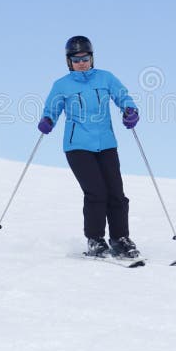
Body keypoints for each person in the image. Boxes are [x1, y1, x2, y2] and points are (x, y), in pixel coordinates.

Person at [38, 36, 141, 258]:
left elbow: (123, 96)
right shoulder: (62, 85)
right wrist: (47, 120)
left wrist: (130, 110)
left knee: (117, 193)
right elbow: (51, 109)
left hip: (106, 144)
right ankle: (95, 240)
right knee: (96, 192)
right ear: (69, 62)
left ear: (92, 58)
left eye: (85, 58)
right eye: (76, 59)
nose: (81, 62)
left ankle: (120, 238)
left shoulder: (106, 78)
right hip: (78, 147)